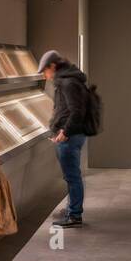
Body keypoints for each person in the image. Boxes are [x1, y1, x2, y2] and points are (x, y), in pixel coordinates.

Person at [38, 49, 90, 227]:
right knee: (71, 175)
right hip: (71, 135)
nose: (45, 76)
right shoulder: (68, 81)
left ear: (53, 66)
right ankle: (72, 209)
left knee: (72, 176)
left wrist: (64, 133)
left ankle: (74, 215)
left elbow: (77, 112)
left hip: (70, 136)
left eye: (45, 71)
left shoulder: (67, 83)